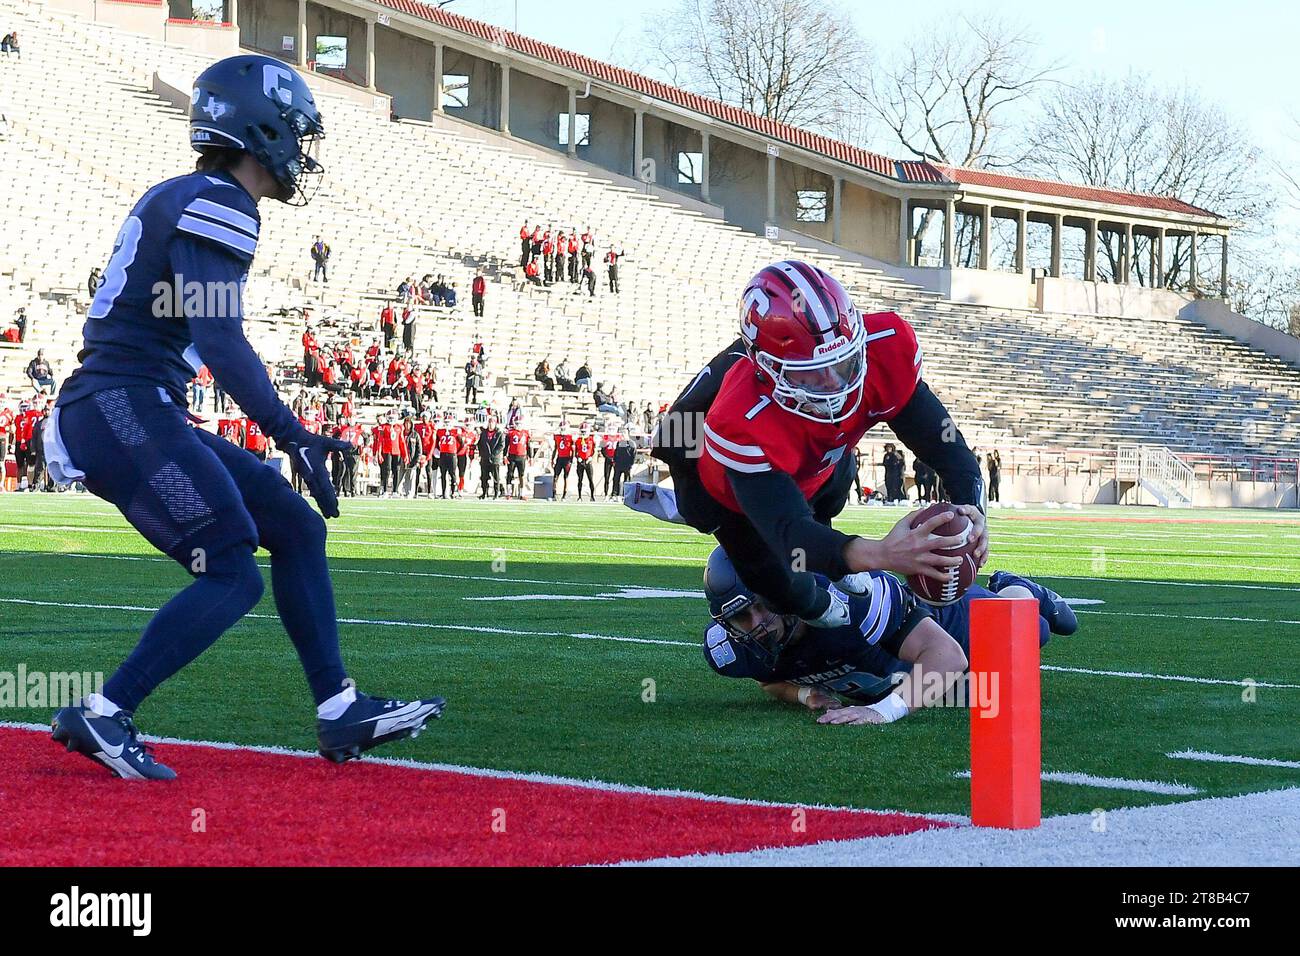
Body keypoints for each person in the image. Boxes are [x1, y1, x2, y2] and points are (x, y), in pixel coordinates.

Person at [44, 56, 443, 780]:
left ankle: (337, 708)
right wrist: (288, 431)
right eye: (295, 130)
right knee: (230, 568)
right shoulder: (222, 200)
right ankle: (105, 711)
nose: (301, 148)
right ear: (258, 128)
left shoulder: (190, 193)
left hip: (129, 401)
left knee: (295, 528)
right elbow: (220, 336)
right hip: (120, 403)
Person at [643, 260, 987, 636]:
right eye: (811, 372)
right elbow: (790, 532)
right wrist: (881, 554)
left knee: (837, 479)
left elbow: (946, 448)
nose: (834, 382)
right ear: (766, 368)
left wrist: (973, 509)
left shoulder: (885, 347)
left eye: (844, 364)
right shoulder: (742, 415)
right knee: (791, 593)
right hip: (732, 496)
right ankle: (817, 600)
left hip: (821, 461)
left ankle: (834, 551)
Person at [700, 548, 1077, 724]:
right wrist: (802, 694)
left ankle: (1016, 588)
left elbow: (946, 657)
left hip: (946, 628)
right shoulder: (733, 649)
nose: (757, 623)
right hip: (905, 676)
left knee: (1029, 635)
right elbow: (769, 679)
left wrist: (883, 711)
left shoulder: (850, 604)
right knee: (964, 696)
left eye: (761, 606)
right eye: (741, 618)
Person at [478, 417, 504, 499]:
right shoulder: (483, 433)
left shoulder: (499, 433)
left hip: (494, 459)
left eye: (492, 423)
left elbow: (501, 445)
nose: (490, 424)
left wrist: (494, 454)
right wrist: (482, 454)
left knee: (496, 477)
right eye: (489, 423)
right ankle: (484, 493)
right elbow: (480, 444)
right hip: (485, 458)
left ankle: (496, 493)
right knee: (484, 477)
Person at [574, 421, 596, 502]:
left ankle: (592, 496)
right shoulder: (578, 440)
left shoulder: (591, 439)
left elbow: (594, 450)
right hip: (580, 461)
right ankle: (579, 496)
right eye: (582, 431)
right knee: (580, 479)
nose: (583, 433)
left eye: (584, 431)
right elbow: (575, 451)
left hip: (588, 461)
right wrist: (577, 457)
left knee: (590, 479)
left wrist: (591, 457)